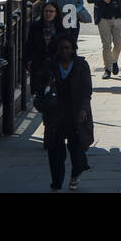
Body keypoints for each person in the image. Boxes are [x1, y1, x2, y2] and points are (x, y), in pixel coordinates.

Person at [40, 37, 94, 191]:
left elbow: (86, 89)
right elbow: (39, 85)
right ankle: (56, 182)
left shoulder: (81, 65)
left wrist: (83, 109)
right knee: (55, 151)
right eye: (61, 48)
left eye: (67, 48)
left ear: (73, 49)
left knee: (77, 149)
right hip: (55, 114)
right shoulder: (49, 65)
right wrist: (46, 86)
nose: (64, 51)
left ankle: (76, 173)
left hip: (75, 114)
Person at [26, 2, 67, 94]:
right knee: (39, 95)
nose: (48, 14)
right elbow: (29, 45)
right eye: (46, 11)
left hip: (55, 66)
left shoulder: (61, 28)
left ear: (56, 13)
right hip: (39, 65)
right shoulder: (35, 26)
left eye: (51, 11)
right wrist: (29, 61)